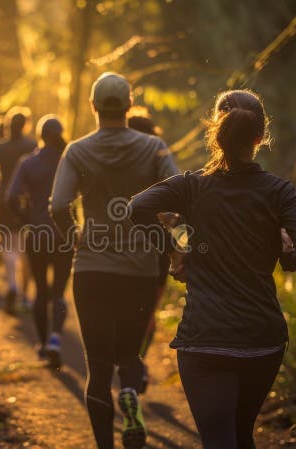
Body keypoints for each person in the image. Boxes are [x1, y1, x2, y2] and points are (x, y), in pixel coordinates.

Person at [128, 89, 296, 449]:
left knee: (220, 440)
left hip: (205, 338)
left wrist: (174, 249)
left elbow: (136, 208)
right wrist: (285, 255)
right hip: (263, 339)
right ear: (260, 137)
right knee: (242, 434)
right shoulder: (279, 191)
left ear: (216, 133)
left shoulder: (192, 186)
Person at [50, 72, 179, 449]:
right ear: (129, 105)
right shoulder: (154, 148)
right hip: (139, 270)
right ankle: (131, 398)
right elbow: (176, 198)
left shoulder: (77, 151)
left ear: (93, 105)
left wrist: (75, 236)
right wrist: (164, 233)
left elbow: (58, 205)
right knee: (128, 356)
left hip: (92, 268)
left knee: (99, 365)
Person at [7, 115, 72, 369]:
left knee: (41, 291)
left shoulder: (28, 163)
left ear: (40, 135)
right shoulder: (69, 161)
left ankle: (43, 345)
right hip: (64, 234)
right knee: (59, 292)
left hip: (36, 234)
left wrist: (26, 218)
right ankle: (56, 338)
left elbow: (11, 197)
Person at [126, 113, 170, 394]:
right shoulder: (157, 158)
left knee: (123, 310)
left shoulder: (116, 161)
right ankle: (138, 361)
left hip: (119, 247)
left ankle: (130, 363)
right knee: (149, 312)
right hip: (156, 246)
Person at [0, 107, 37, 313]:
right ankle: (25, 294)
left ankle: (12, 285)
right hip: (27, 200)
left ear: (6, 126)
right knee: (25, 246)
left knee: (7, 243)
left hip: (3, 199)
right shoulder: (32, 145)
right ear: (26, 125)